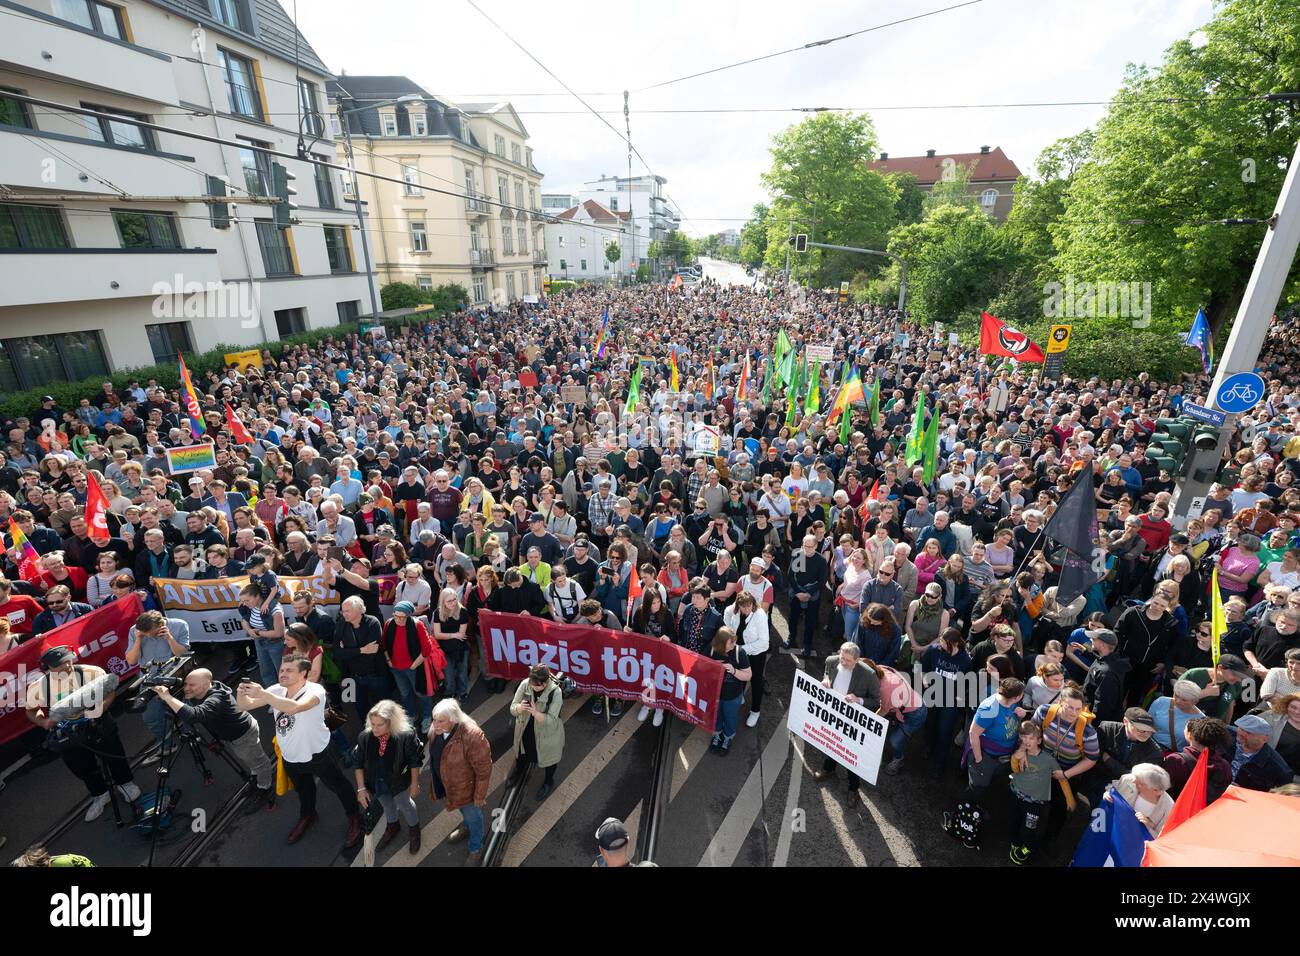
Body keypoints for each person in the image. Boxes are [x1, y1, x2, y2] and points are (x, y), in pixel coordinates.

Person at [237, 656, 363, 847]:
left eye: (289, 671)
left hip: (317, 753)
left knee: (339, 785)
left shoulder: (315, 691)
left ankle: (355, 817)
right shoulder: (276, 690)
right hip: (290, 756)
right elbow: (244, 706)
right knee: (303, 789)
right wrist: (241, 692)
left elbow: (295, 708)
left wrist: (263, 694)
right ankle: (308, 815)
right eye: (281, 670)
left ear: (303, 673)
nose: (283, 674)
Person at [25, 645, 140, 821]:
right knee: (82, 766)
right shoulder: (38, 687)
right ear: (47, 669)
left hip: (97, 722)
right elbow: (31, 710)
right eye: (60, 666)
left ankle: (126, 783)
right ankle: (100, 794)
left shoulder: (91, 672)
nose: (67, 667)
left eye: (68, 662)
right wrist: (43, 722)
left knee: (114, 754)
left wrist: (101, 708)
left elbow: (110, 692)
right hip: (68, 731)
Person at [152, 666, 277, 813]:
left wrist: (168, 697)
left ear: (206, 684)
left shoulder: (216, 698)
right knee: (249, 760)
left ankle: (265, 788)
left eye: (192, 685)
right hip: (233, 735)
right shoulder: (203, 691)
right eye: (186, 684)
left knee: (258, 761)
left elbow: (194, 716)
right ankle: (257, 778)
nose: (187, 688)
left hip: (243, 735)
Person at [945, 677, 1025, 850]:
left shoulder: (1010, 703)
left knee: (984, 787)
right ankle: (958, 814)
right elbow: (973, 734)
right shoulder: (989, 708)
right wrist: (980, 759)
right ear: (1017, 696)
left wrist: (1020, 713)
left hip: (999, 759)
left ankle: (974, 808)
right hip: (987, 758)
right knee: (976, 788)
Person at [426, 698, 492, 866]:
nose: (435, 724)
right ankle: (466, 826)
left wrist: (479, 796)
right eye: (434, 719)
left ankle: (476, 848)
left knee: (474, 816)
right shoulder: (437, 729)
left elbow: (484, 770)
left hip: (467, 791)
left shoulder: (473, 736)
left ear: (454, 719)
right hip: (450, 787)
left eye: (440, 720)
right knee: (464, 812)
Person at [352, 700, 423, 855]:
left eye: (380, 725)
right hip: (376, 783)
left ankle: (414, 830)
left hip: (398, 782)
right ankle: (393, 826)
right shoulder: (364, 737)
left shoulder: (405, 736)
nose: (374, 729)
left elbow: (414, 761)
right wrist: (361, 789)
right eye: (372, 724)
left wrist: (415, 784)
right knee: (387, 805)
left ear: (391, 723)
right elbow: (357, 763)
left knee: (405, 805)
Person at [811, 643, 882, 795]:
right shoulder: (832, 660)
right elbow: (827, 672)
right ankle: (829, 769)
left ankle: (853, 788)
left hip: (853, 721)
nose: (843, 662)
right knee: (832, 742)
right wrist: (825, 679)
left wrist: (859, 700)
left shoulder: (868, 675)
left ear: (857, 660)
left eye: (848, 660)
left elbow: (876, 701)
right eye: (842, 658)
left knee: (850, 755)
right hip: (834, 715)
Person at [124, 610, 192, 760]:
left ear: (162, 625)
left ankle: (191, 734)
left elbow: (182, 654)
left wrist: (169, 638)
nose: (149, 636)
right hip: (150, 679)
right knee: (151, 716)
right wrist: (138, 640)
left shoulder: (179, 625)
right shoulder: (135, 631)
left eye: (152, 633)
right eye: (145, 633)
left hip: (174, 675)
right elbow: (131, 661)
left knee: (184, 708)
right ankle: (167, 745)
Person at [1007, 721, 1063, 865]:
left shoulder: (1048, 760)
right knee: (1013, 822)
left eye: (1031, 738)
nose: (1027, 741)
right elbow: (1014, 770)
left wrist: (1069, 799)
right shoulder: (1019, 752)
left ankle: (1029, 848)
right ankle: (1016, 843)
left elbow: (1061, 777)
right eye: (1024, 737)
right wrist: (1016, 756)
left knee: (1028, 830)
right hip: (1016, 795)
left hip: (1035, 803)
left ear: (1039, 740)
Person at [382, 601, 442, 736]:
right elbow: (384, 644)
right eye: (396, 616)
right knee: (404, 694)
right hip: (396, 668)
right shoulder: (389, 624)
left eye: (401, 617)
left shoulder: (417, 625)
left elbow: (427, 649)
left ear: (408, 616)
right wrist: (389, 661)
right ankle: (411, 715)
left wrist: (414, 665)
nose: (397, 619)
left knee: (421, 693)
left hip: (414, 668)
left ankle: (427, 718)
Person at [509, 664, 566, 801]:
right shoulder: (525, 684)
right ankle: (519, 772)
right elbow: (512, 708)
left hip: (546, 733)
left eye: (536, 686)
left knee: (549, 759)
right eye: (531, 684)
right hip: (525, 729)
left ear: (545, 683)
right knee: (522, 752)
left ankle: (548, 781)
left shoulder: (556, 692)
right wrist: (520, 707)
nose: (532, 687)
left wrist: (535, 712)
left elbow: (552, 720)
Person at [333, 594, 391, 722]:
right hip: (352, 677)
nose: (344, 614)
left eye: (348, 611)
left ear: (359, 609)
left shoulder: (373, 622)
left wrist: (347, 651)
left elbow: (372, 653)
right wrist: (361, 650)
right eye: (343, 611)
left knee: (384, 707)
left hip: (376, 675)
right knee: (359, 707)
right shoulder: (341, 624)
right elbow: (337, 653)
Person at [723, 591, 770, 728]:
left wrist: (742, 649)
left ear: (753, 604)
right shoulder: (735, 609)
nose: (746, 609)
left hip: (756, 654)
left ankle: (755, 711)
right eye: (743, 606)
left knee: (756, 681)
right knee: (739, 676)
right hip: (739, 650)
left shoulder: (760, 616)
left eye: (749, 605)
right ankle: (740, 697)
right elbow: (726, 612)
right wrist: (728, 632)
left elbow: (764, 643)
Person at [1162, 716, 1233, 803]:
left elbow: (1162, 791)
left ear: (1190, 735)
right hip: (1206, 814)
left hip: (1178, 812)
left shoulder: (1176, 760)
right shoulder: (1225, 766)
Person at [708, 626, 752, 755]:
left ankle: (727, 738)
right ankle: (717, 735)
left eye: (734, 641)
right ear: (721, 643)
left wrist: (733, 670)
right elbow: (700, 667)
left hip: (732, 696)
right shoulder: (711, 650)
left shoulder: (739, 652)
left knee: (730, 717)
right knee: (717, 716)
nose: (734, 645)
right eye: (730, 642)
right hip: (715, 695)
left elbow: (748, 675)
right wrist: (713, 667)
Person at [1104, 763, 1175, 838]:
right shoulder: (1129, 779)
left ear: (1155, 790)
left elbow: (1163, 839)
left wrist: (1147, 826)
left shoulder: (1169, 808)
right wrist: (1108, 793)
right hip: (1112, 831)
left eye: (1140, 783)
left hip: (1132, 844)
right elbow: (1113, 787)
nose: (1134, 781)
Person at [1227, 712, 1294, 792]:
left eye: (1249, 732)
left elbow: (1278, 798)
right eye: (1241, 728)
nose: (1242, 733)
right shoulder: (1224, 735)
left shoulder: (1280, 771)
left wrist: (1245, 793)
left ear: (1265, 739)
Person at [787, 534, 828, 658]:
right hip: (797, 591)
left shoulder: (821, 560)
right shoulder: (797, 555)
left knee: (810, 620)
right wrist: (799, 592)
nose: (807, 549)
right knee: (793, 617)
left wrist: (808, 593)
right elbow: (790, 576)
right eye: (805, 546)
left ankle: (807, 644)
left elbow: (822, 580)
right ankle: (791, 638)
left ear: (816, 546)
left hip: (812, 592)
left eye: (810, 547)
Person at [1077, 627, 1130, 723]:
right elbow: (1100, 662)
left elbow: (1103, 703)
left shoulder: (1106, 673)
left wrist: (1093, 724)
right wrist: (1086, 652)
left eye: (1093, 639)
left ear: (1102, 644)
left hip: (1095, 719)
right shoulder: (1110, 660)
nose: (1090, 640)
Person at [432, 587, 471, 704]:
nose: (453, 603)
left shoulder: (463, 611)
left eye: (454, 599)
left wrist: (448, 635)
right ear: (443, 602)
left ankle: (462, 692)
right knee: (448, 674)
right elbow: (437, 635)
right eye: (449, 601)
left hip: (461, 648)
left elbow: (462, 634)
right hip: (445, 650)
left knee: (462, 672)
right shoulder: (437, 612)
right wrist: (454, 635)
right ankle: (450, 692)